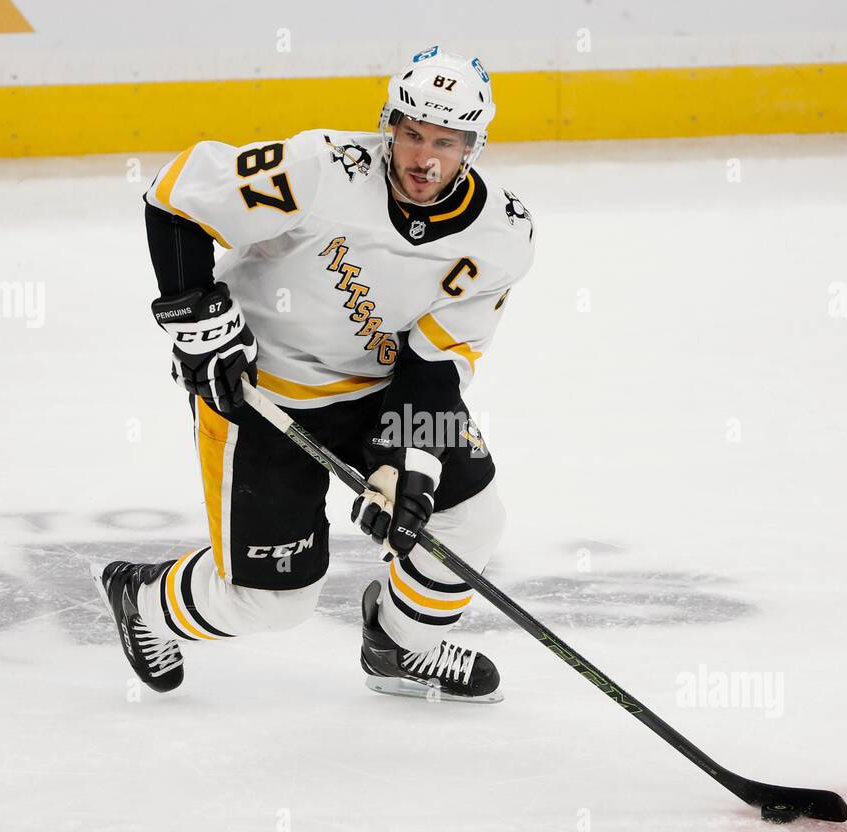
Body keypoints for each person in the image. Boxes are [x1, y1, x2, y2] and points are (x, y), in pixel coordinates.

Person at [93, 45, 535, 703]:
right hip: (260, 392)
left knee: (469, 518)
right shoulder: (320, 170)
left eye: (446, 140)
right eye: (412, 132)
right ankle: (144, 600)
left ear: (474, 143)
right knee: (274, 604)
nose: (423, 157)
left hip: (383, 391)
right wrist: (197, 322)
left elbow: (437, 366)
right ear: (390, 123)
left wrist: (406, 468)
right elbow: (175, 195)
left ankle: (398, 648)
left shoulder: (501, 233)